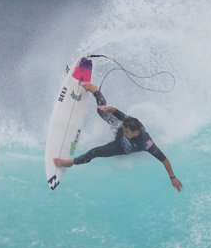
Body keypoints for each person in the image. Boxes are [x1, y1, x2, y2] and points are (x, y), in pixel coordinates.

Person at [53, 82, 183, 191]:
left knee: (94, 152)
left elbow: (164, 160)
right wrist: (108, 109)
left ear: (135, 132)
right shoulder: (128, 122)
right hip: (121, 131)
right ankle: (95, 90)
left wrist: (172, 178)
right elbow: (116, 112)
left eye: (127, 132)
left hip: (120, 147)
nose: (124, 132)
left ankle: (71, 162)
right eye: (125, 130)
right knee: (100, 110)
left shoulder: (146, 143)